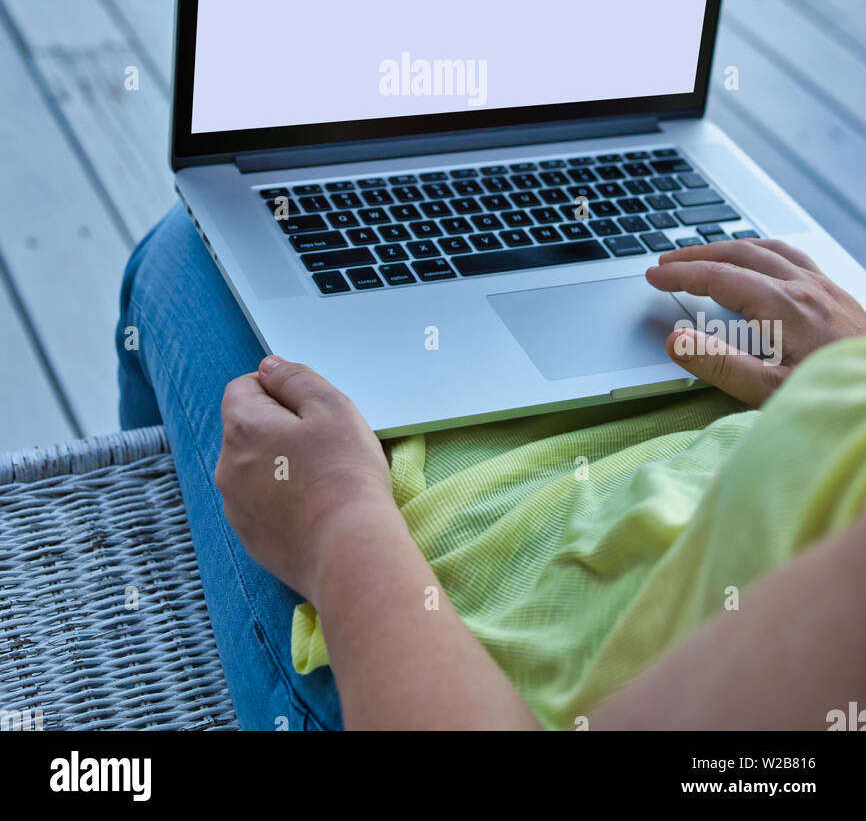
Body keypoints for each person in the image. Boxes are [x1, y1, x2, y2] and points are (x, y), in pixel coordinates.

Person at [118, 206, 866, 730]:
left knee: (183, 250)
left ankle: (159, 603)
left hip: (416, 664)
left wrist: (338, 522)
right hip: (708, 441)